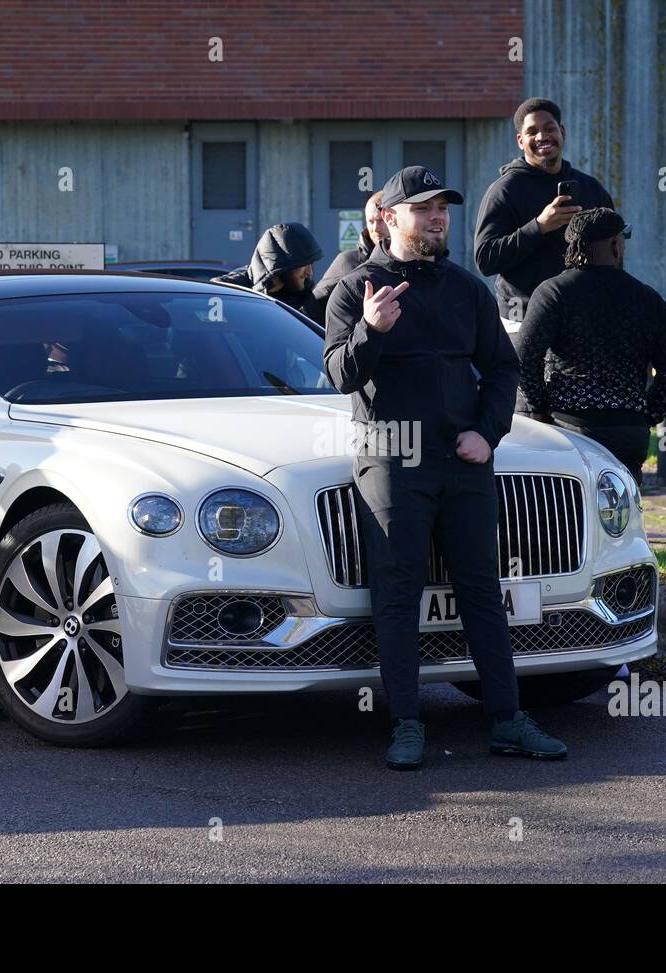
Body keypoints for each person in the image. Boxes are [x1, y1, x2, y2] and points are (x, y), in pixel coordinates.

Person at [323, 165, 566, 771]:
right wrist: (372, 331)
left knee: (481, 588)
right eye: (424, 208)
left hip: (463, 462)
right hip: (391, 459)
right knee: (398, 589)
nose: (437, 217)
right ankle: (407, 723)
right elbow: (341, 376)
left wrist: (487, 434)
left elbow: (503, 370)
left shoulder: (467, 289)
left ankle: (507, 719)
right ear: (389, 219)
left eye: (444, 208)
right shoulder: (357, 290)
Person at [517, 207, 666, 482]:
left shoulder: (554, 292)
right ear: (616, 245)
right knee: (622, 512)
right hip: (627, 433)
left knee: (570, 513)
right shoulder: (646, 298)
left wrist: (540, 408)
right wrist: (647, 414)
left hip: (569, 429)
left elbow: (524, 358)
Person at [474, 97, 613, 332]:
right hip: (523, 321)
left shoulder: (590, 187)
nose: (541, 137)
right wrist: (538, 227)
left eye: (549, 129)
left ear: (562, 132)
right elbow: (485, 259)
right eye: (532, 132)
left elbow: (614, 249)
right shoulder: (505, 190)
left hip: (583, 317)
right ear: (520, 140)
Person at [305, 192, 389, 325]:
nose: (375, 228)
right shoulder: (348, 261)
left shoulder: (416, 261)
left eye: (381, 220)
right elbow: (313, 308)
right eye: (371, 221)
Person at [212, 222, 323, 313]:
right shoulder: (227, 291)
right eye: (302, 265)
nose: (309, 272)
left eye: (311, 264)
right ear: (282, 264)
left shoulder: (304, 295)